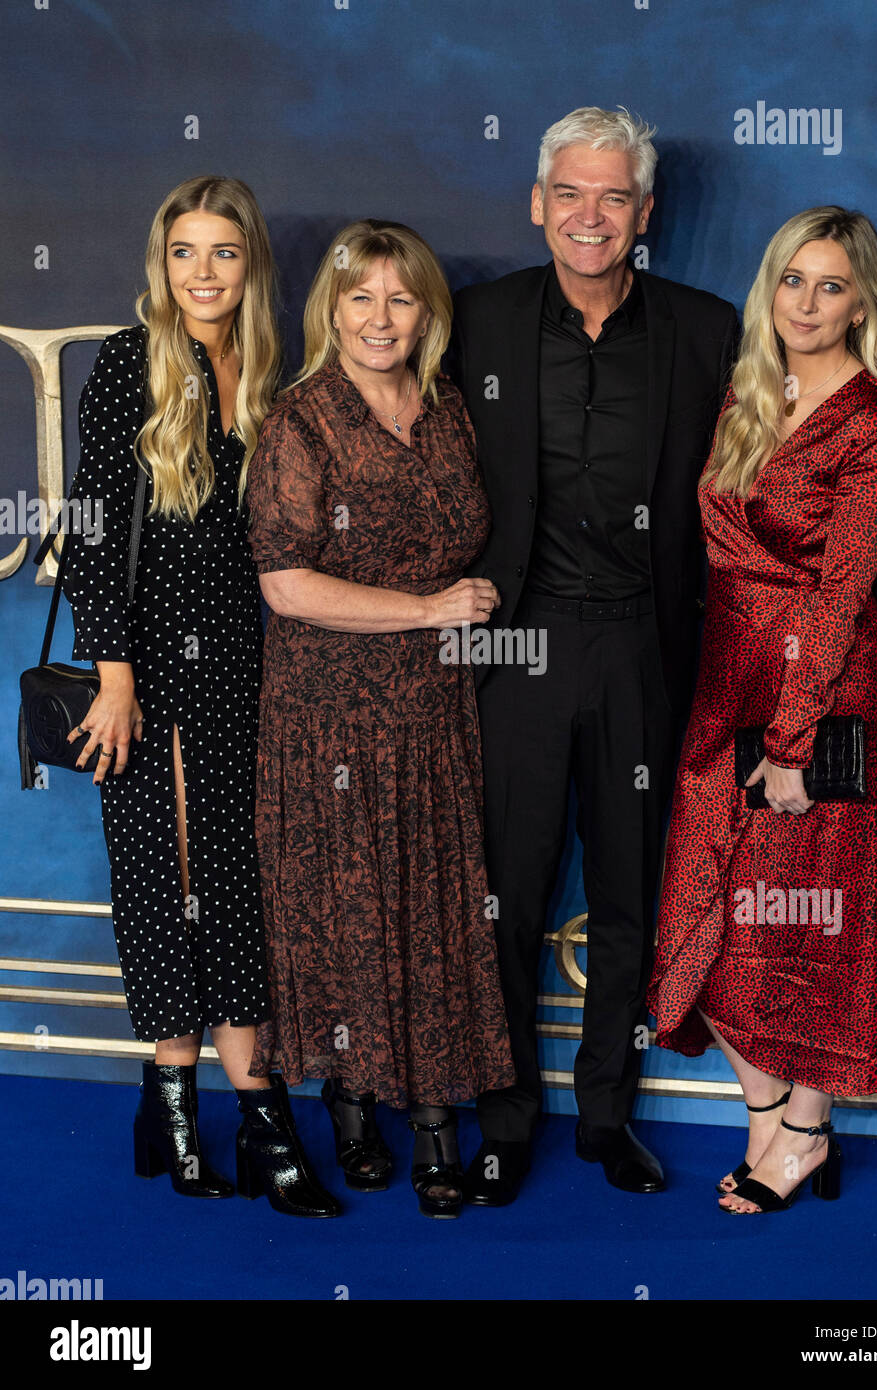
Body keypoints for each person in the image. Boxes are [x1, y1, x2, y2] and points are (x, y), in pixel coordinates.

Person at [446, 106, 739, 1204]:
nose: (588, 215)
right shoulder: (474, 323)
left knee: (629, 896)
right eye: (568, 192)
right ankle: (503, 1116)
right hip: (515, 648)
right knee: (506, 899)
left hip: (641, 650)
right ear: (536, 202)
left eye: (612, 196)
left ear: (644, 213)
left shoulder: (707, 333)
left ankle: (607, 1114)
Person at [64, 175, 339, 1218]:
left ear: (250, 263)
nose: (203, 272)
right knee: (162, 875)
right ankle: (193, 1108)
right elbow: (90, 528)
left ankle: (233, 1105)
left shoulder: (277, 370)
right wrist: (116, 675)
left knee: (235, 882)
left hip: (246, 668)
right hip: (143, 673)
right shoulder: (133, 363)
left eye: (223, 252)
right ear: (161, 262)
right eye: (184, 252)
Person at [646, 206, 877, 1214]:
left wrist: (793, 741)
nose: (805, 304)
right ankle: (765, 1117)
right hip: (727, 681)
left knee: (809, 923)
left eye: (830, 286)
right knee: (709, 909)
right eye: (790, 281)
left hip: (817, 696)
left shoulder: (871, 421)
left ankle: (803, 1132)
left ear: (863, 303)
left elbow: (840, 594)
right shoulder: (747, 392)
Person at [244, 218, 515, 1220]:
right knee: (345, 900)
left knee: (437, 903)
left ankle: (438, 1120)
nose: (379, 317)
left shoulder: (448, 409)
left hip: (436, 708)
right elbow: (283, 582)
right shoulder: (302, 419)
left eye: (400, 298)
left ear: (427, 313)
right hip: (331, 710)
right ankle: (353, 1104)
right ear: (331, 309)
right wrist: (428, 610)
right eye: (360, 296)